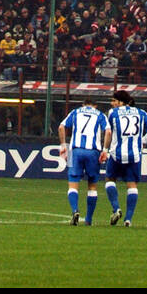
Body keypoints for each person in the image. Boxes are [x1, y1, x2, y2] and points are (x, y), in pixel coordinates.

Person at [103, 90, 147, 227]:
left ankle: (116, 208)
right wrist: (143, 141)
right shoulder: (141, 113)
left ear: (121, 102)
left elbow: (107, 130)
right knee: (132, 185)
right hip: (134, 154)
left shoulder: (112, 113)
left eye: (114, 101)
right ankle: (128, 219)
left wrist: (104, 148)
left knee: (110, 180)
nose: (112, 103)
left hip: (116, 154)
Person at [58, 95, 108, 226]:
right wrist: (105, 150)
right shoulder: (100, 114)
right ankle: (89, 220)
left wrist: (63, 145)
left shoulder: (75, 112)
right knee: (92, 185)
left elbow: (61, 127)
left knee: (73, 183)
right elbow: (108, 132)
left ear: (83, 105)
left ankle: (75, 210)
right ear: (95, 105)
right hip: (93, 152)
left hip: (76, 151)